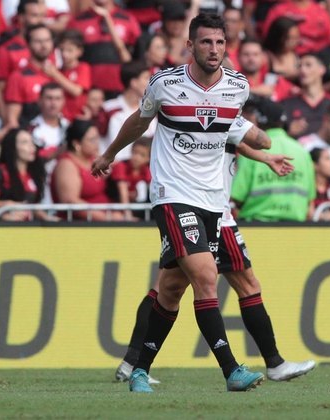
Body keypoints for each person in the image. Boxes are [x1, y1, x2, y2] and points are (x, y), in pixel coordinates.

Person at [91, 13, 264, 393]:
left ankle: (137, 368)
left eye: (219, 42)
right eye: (205, 42)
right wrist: (109, 155)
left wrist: (263, 151)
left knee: (169, 289)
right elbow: (139, 121)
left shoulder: (237, 88)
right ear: (190, 45)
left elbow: (233, 132)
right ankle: (232, 370)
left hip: (214, 201)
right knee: (206, 276)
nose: (214, 49)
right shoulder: (166, 84)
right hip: (172, 194)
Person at [114, 116, 315, 384]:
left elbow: (237, 143)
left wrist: (264, 159)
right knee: (186, 286)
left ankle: (134, 363)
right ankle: (254, 365)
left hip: (210, 210)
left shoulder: (215, 116)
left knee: (173, 286)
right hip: (205, 209)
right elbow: (260, 139)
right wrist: (258, 144)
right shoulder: (218, 111)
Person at [231, 99, 316, 222]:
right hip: (296, 229)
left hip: (256, 227)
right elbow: (310, 201)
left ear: (258, 119)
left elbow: (237, 196)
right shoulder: (302, 151)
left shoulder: (253, 151)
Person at [67, 0, 140, 99]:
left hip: (121, 90)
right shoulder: (78, 21)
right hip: (90, 92)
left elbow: (137, 55)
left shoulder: (128, 19)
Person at [51, 119, 122, 221]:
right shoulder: (67, 164)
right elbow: (70, 201)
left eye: (97, 139)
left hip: (105, 219)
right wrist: (107, 218)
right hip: (82, 225)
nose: (97, 144)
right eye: (92, 140)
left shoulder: (93, 159)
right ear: (77, 144)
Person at [0, 0, 45, 124]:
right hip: (19, 117)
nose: (40, 20)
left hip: (45, 116)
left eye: (42, 16)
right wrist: (7, 122)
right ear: (21, 18)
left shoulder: (48, 47)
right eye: (34, 15)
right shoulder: (7, 49)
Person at [0, 128, 51, 221]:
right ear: (13, 146)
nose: (31, 146)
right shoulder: (0, 172)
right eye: (25, 142)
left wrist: (46, 217)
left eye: (32, 142)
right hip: (5, 226)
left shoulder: (34, 173)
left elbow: (32, 205)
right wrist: (9, 205)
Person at [98, 61, 155, 162]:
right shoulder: (109, 109)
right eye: (146, 78)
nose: (150, 83)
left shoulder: (151, 108)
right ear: (133, 83)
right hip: (116, 169)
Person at [281, 53, 330, 139]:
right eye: (299, 66)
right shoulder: (286, 103)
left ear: (322, 69)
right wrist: (289, 134)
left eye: (308, 65)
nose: (302, 70)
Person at [4, 24, 55, 128]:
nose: (44, 45)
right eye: (38, 41)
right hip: (31, 135)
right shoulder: (18, 76)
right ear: (28, 44)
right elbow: (12, 119)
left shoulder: (58, 73)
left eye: (47, 40)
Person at [46, 29, 91, 121]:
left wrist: (55, 74)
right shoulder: (58, 71)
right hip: (60, 119)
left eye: (70, 50)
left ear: (80, 51)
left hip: (77, 118)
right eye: (62, 50)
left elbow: (76, 91)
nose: (64, 54)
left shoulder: (83, 68)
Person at [262, 0, 330, 55]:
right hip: (280, 55)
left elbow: (329, 37)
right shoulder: (278, 10)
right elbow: (267, 35)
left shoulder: (321, 12)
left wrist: (314, 50)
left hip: (314, 56)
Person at [236, 38, 294, 102]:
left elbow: (296, 92)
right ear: (238, 57)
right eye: (246, 54)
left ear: (263, 57)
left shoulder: (274, 80)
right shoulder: (233, 80)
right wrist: (255, 91)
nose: (251, 59)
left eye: (255, 54)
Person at [109, 136, 151, 212]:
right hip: (114, 207)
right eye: (135, 152)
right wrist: (128, 218)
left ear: (148, 158)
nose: (136, 157)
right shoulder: (121, 166)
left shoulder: (148, 170)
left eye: (142, 155)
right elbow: (123, 193)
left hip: (135, 207)